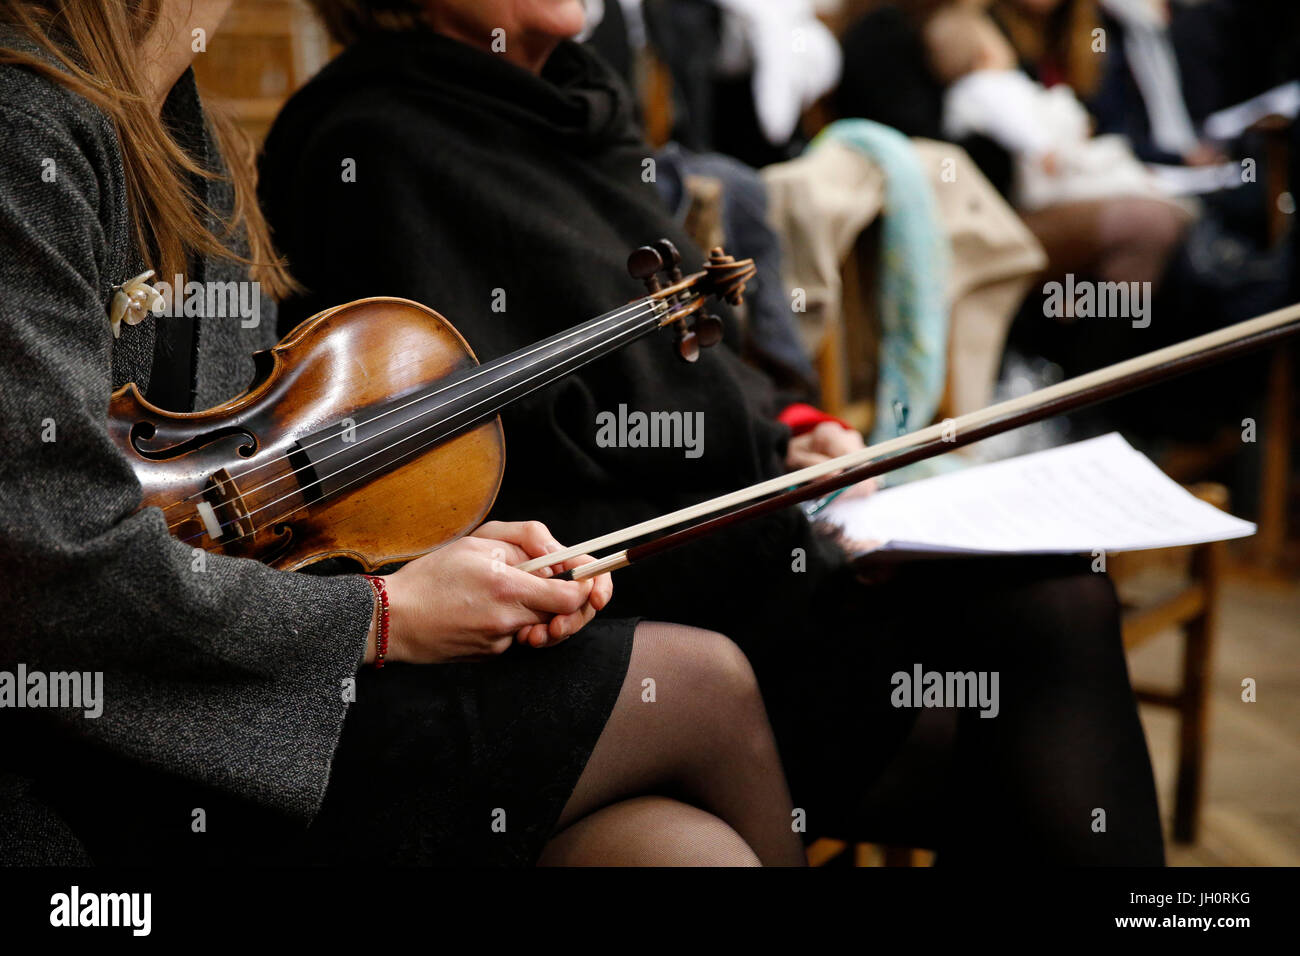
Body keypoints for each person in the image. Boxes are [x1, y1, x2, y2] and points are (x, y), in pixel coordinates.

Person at [262, 0, 1167, 863]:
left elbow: (687, 360)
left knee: (1053, 598)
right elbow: (503, 469)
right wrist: (767, 490)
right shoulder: (376, 138)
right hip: (622, 605)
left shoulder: (580, 107)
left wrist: (789, 443)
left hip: (746, 556)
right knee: (1025, 713)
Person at [0, 0, 808, 867]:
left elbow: (234, 514)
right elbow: (60, 565)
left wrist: (410, 558)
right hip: (97, 753)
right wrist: (384, 615)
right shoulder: (25, 131)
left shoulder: (195, 142)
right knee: (700, 684)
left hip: (227, 670)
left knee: (680, 851)